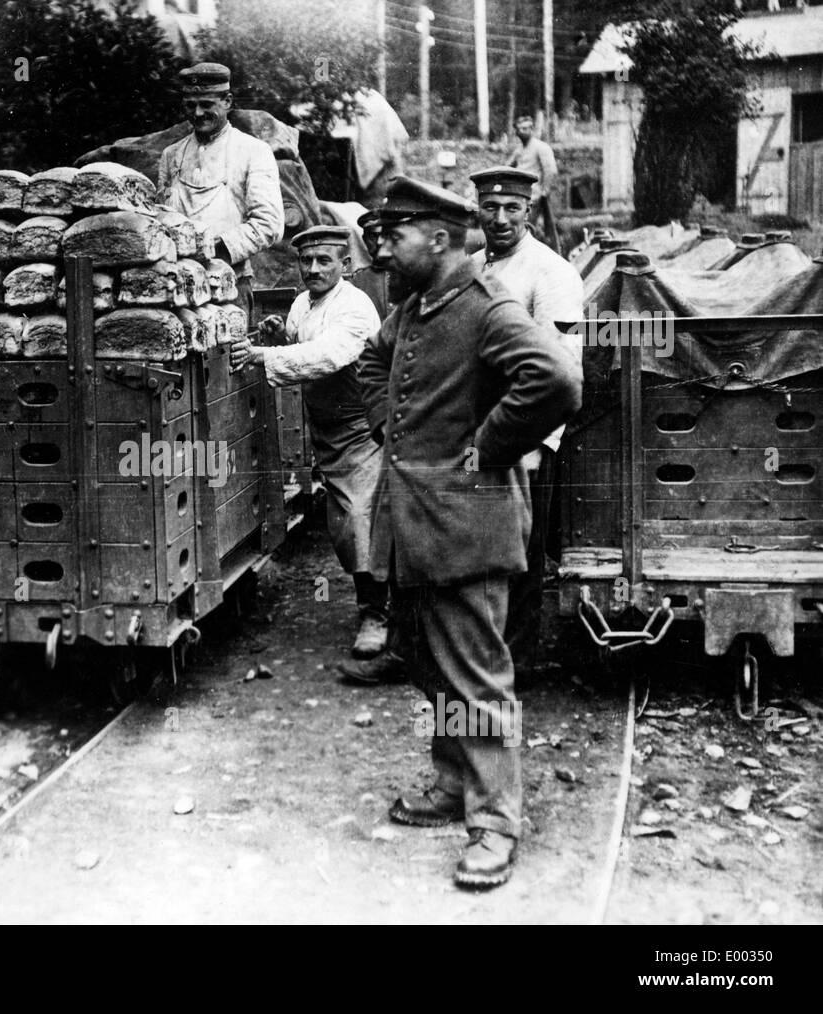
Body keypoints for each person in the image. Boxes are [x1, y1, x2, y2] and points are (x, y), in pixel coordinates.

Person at [357, 177, 581, 888]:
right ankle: (454, 780)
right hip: (416, 523)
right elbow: (372, 362)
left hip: (469, 524)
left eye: (396, 234)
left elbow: (556, 380)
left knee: (477, 675)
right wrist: (388, 429)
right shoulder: (418, 306)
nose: (383, 246)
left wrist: (487, 448)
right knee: (427, 662)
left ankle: (494, 821)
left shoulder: (488, 308)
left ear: (442, 237)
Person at [228, 226, 386, 659]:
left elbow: (330, 354)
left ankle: (378, 613)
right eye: (306, 261)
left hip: (360, 428)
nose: (313, 269)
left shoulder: (355, 307)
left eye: (324, 261)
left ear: (346, 266)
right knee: (342, 524)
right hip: (326, 429)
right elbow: (304, 341)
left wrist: (266, 356)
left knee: (358, 520)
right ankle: (379, 601)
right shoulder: (303, 302)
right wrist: (280, 336)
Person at [469, 166, 585, 661]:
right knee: (477, 546)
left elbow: (562, 369)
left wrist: (539, 443)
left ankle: (518, 661)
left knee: (520, 553)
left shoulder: (551, 273)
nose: (500, 218)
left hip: (522, 435)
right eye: (490, 208)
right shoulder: (470, 267)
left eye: (511, 208)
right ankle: (480, 651)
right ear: (478, 210)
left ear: (529, 211)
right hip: (473, 431)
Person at [157, 62, 284, 323]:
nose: (198, 113)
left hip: (230, 286)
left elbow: (269, 224)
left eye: (206, 104)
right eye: (190, 105)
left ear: (227, 101)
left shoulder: (253, 151)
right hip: (178, 291)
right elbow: (162, 217)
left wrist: (213, 248)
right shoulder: (171, 155)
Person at [509, 115, 561, 255]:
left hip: (534, 196)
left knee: (528, 228)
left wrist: (545, 190)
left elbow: (551, 170)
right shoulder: (519, 149)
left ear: (532, 129)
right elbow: (509, 166)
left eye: (526, 128)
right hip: (517, 195)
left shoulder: (541, 147)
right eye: (519, 129)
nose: (522, 131)